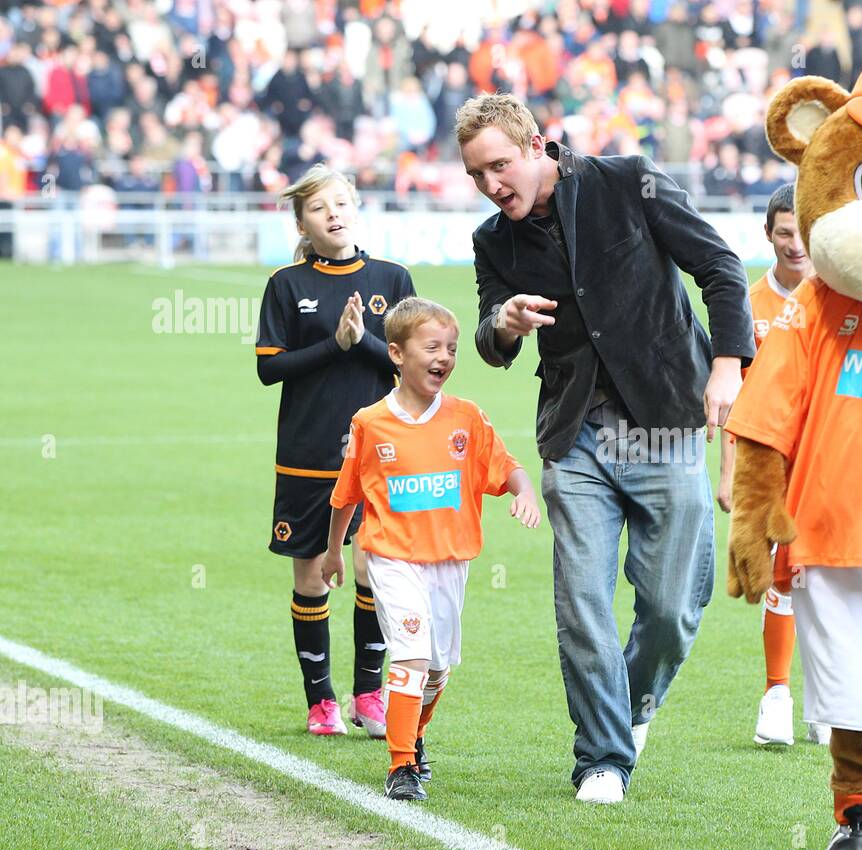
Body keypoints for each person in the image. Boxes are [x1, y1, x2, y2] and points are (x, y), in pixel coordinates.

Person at [458, 92, 753, 804]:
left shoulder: (629, 181)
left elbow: (720, 266)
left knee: (671, 608)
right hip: (575, 435)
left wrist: (726, 365)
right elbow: (489, 340)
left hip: (667, 419)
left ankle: (631, 706)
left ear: (535, 146)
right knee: (582, 601)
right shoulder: (492, 240)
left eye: (499, 166)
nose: (492, 185)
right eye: (476, 175)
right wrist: (504, 322)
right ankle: (601, 757)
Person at [322, 298, 540, 800]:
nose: (445, 357)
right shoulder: (370, 423)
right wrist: (334, 551)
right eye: (433, 347)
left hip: (449, 562)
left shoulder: (466, 418)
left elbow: (507, 467)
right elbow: (346, 495)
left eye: (452, 348)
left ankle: (415, 736)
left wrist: (525, 492)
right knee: (412, 656)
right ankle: (400, 766)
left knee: (437, 669)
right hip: (391, 557)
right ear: (397, 354)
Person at [254, 163, 414, 737]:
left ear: (356, 208)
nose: (334, 214)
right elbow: (269, 368)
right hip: (306, 455)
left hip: (377, 456)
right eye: (320, 208)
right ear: (303, 223)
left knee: (373, 572)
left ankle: (368, 696)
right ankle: (321, 702)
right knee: (312, 579)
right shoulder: (286, 285)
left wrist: (361, 340)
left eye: (342, 203)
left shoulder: (392, 279)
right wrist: (334, 345)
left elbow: (411, 362)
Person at [718, 184, 829, 748]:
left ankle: (825, 699)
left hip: (830, 458)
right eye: (784, 232)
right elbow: (732, 397)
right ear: (768, 234)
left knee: (828, 579)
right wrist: (728, 473)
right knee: (783, 573)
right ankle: (777, 694)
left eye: (802, 232)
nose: (795, 244)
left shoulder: (840, 300)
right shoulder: (747, 304)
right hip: (774, 464)